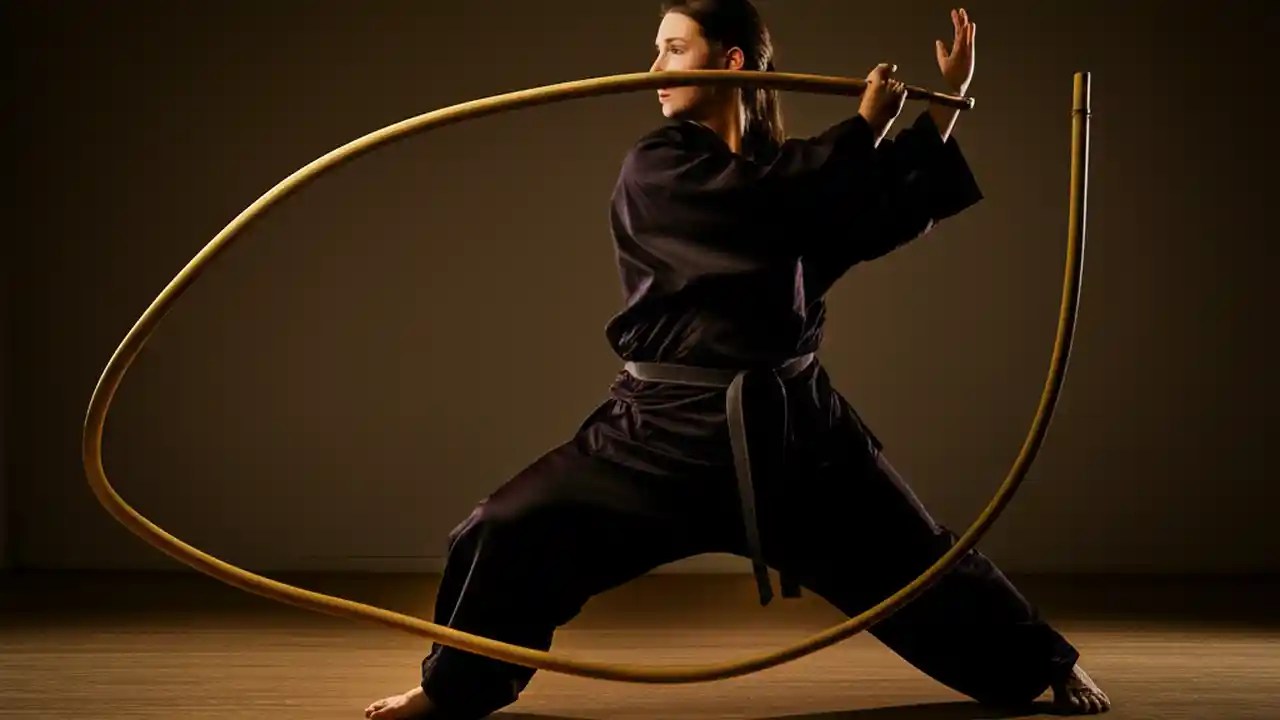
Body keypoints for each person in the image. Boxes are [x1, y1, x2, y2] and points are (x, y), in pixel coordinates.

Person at [365, 2, 1111, 717]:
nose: (653, 64)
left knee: (914, 558)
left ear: (730, 63)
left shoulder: (790, 176)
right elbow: (763, 204)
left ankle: (1039, 660)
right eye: (655, 48)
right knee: (505, 528)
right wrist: (859, 129)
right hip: (660, 432)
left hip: (792, 432)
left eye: (673, 48)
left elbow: (868, 207)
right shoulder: (656, 168)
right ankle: (454, 693)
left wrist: (947, 101)